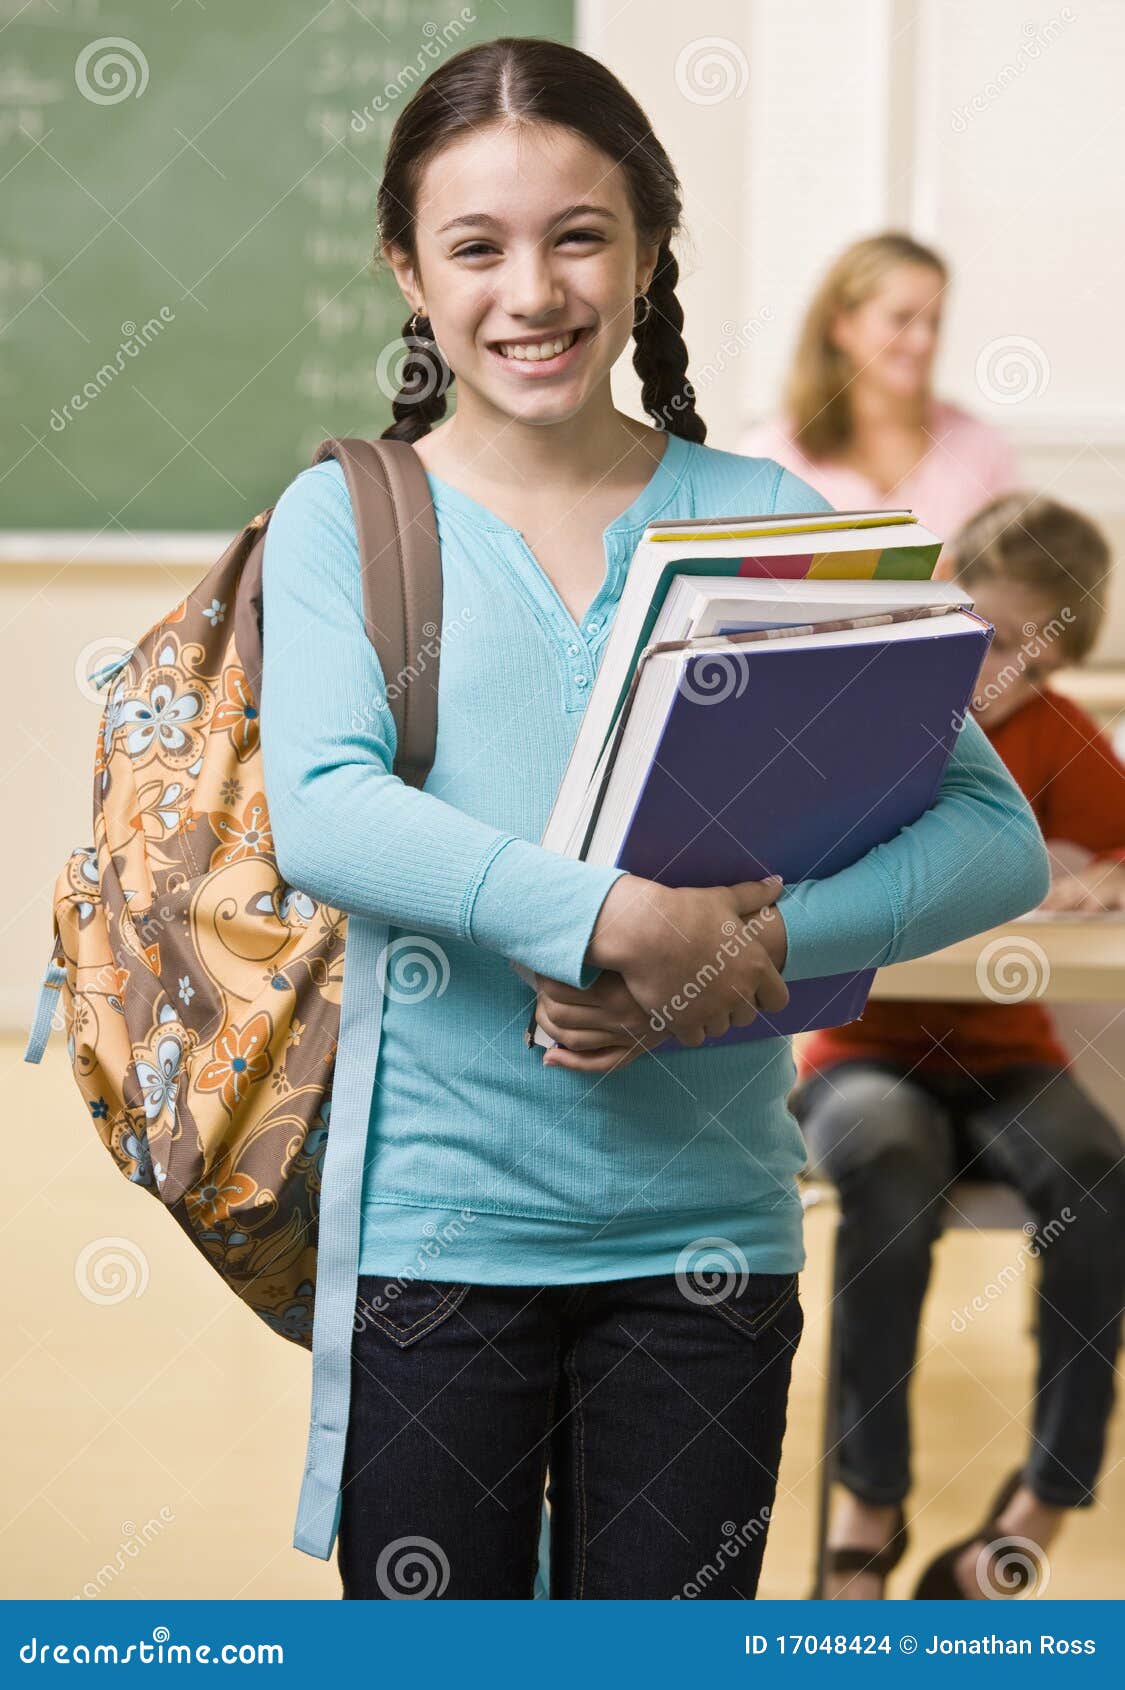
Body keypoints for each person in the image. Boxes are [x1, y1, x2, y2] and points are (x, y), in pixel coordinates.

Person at [259, 38, 1050, 1600]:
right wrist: (617, 918)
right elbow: (327, 810)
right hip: (435, 1251)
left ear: (646, 253)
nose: (531, 289)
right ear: (407, 272)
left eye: (578, 235)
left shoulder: (774, 517)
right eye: (475, 246)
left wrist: (740, 951)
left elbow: (992, 834)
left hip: (709, 1254)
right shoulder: (348, 515)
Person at [791, 491, 1125, 1600]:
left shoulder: (1059, 734)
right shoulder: (873, 722)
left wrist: (1099, 878)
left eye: (1034, 653)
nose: (1000, 671)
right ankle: (866, 1506)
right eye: (984, 635)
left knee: (1096, 1171)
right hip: (868, 1052)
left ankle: (1038, 1506)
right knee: (886, 1160)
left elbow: (1115, 853)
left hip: (1006, 1055)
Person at [740, 232, 1019, 566]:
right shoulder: (771, 456)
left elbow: (1012, 583)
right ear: (841, 324)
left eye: (935, 322)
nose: (923, 341)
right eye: (902, 319)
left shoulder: (981, 446)